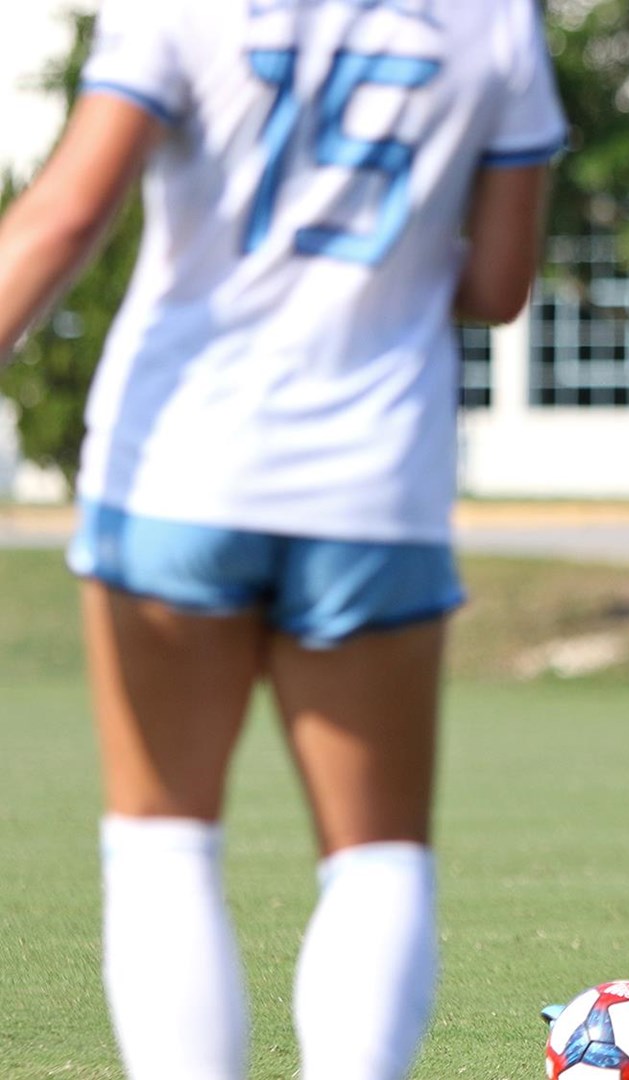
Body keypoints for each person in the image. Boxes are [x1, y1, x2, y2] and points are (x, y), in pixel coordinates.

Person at [0, 3, 563, 1077]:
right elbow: (498, 287)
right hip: (374, 484)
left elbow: (66, 216)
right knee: (377, 857)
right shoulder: (495, 20)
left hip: (178, 469)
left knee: (162, 844)